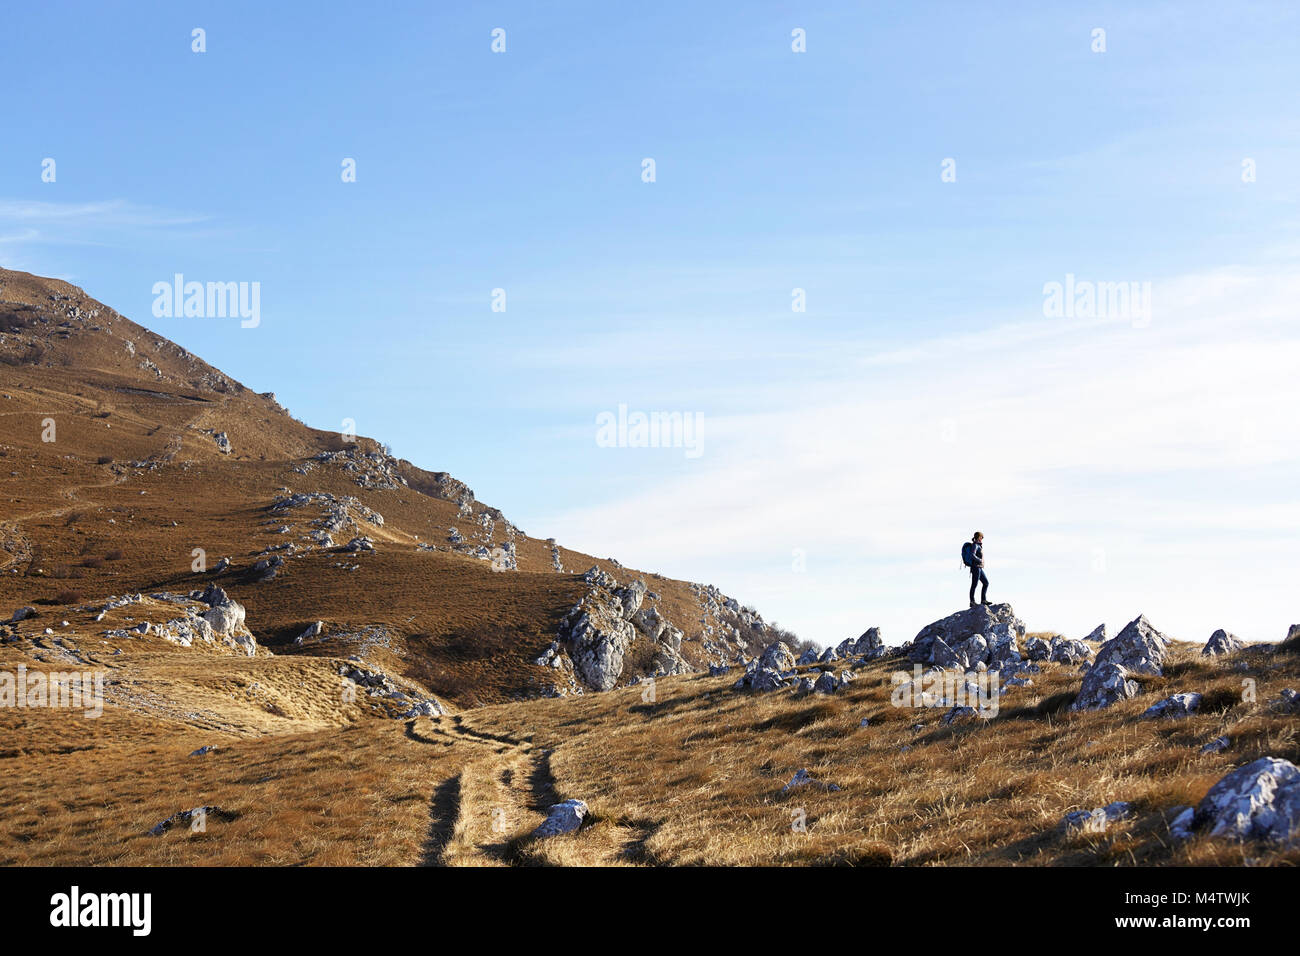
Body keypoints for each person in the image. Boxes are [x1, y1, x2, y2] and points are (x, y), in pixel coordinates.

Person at [968, 531, 989, 607]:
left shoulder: (979, 545)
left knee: (986, 583)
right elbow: (972, 555)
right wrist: (980, 560)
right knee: (974, 584)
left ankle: (983, 600)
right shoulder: (975, 545)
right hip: (975, 567)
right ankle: (972, 601)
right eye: (981, 537)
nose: (982, 538)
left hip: (979, 567)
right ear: (979, 537)